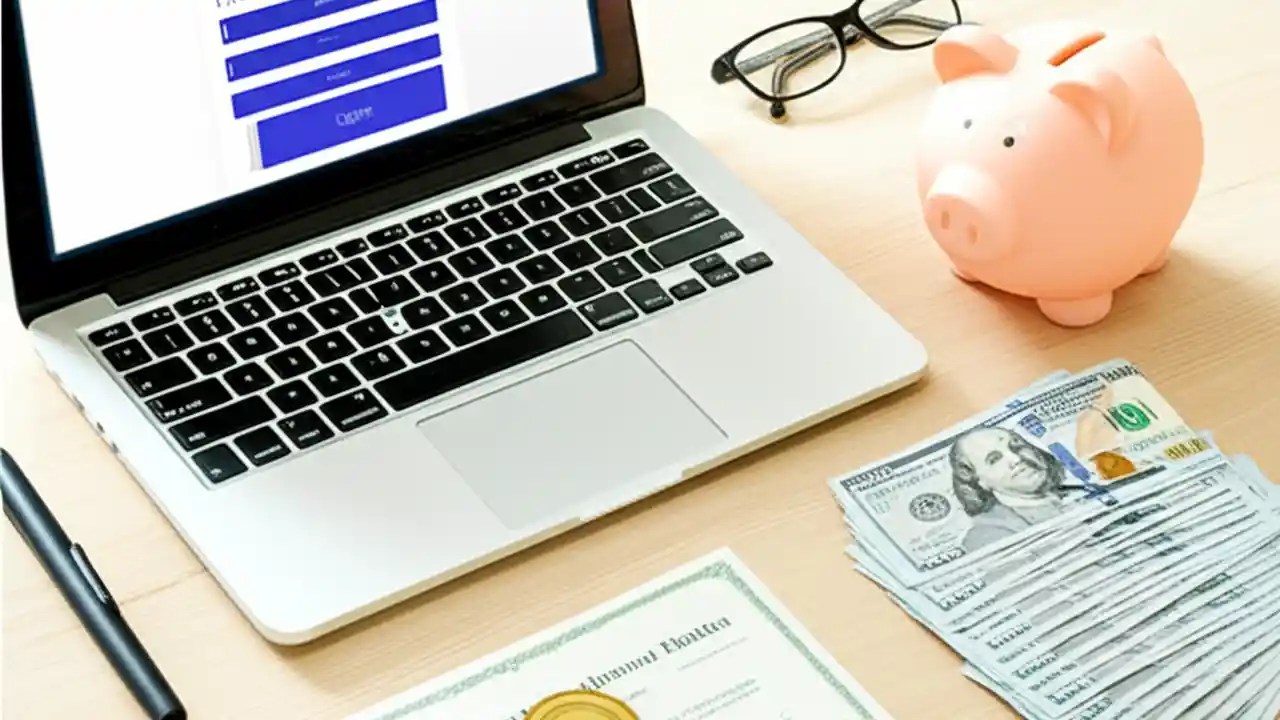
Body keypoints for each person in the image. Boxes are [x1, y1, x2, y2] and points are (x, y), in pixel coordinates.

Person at [949, 427, 1069, 552]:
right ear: (979, 482)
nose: (1016, 459)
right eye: (994, 459)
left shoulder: (1075, 492)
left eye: (1016, 446)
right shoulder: (986, 535)